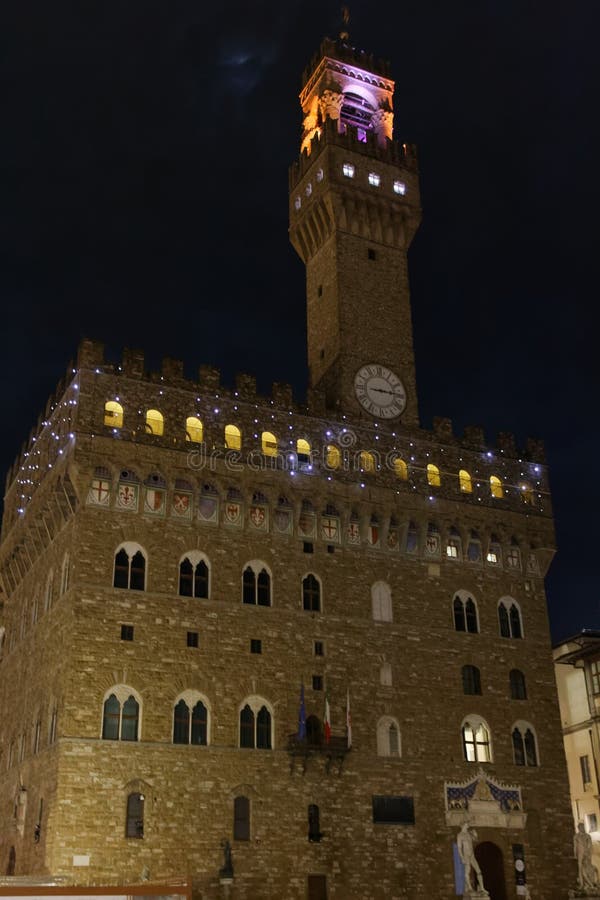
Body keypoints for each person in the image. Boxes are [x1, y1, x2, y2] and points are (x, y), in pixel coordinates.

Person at [457, 822, 487, 894]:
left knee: (479, 871)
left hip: (472, 855)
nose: (468, 825)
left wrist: (475, 834)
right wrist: (462, 857)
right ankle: (469, 887)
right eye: (466, 824)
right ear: (463, 825)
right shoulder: (460, 835)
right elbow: (459, 848)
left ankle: (482, 888)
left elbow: (475, 840)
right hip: (466, 855)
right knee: (468, 871)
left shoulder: (469, 834)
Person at [574, 821, 598, 890]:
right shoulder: (576, 836)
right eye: (581, 827)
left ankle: (591, 882)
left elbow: (590, 845)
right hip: (580, 855)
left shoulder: (588, 836)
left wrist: (588, 852)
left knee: (588, 867)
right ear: (579, 828)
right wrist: (575, 854)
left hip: (587, 854)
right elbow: (575, 846)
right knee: (580, 868)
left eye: (583, 827)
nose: (582, 828)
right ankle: (582, 884)